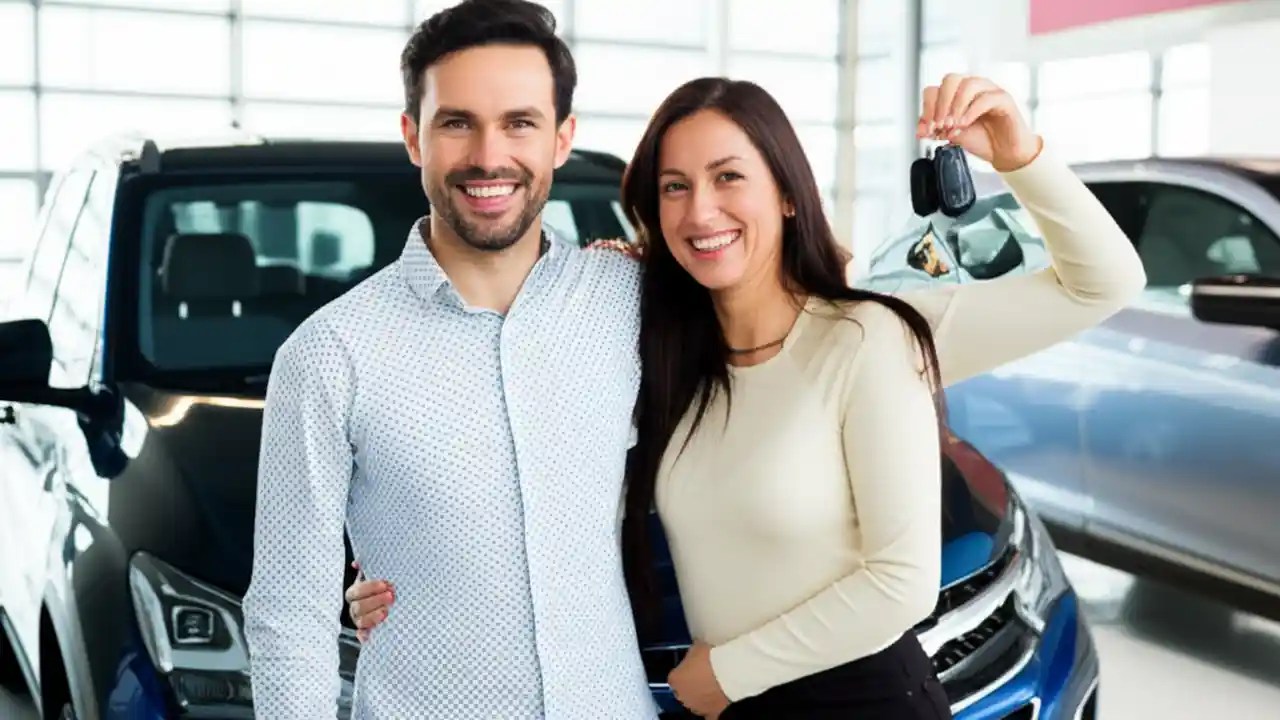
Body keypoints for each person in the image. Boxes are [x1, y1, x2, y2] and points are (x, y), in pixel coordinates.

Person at [347, 70, 1147, 717]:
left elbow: (1106, 283)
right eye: (674, 187)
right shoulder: (653, 348)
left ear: (787, 192)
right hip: (726, 703)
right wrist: (391, 567)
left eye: (730, 177)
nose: (701, 210)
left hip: (852, 698)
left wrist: (1017, 152)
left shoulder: (871, 335)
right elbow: (508, 447)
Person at [240, 1, 658, 718]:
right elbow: (289, 615)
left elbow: (805, 311)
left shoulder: (630, 302)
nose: (489, 157)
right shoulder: (328, 355)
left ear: (562, 139)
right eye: (457, 122)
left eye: (520, 123)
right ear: (413, 137)